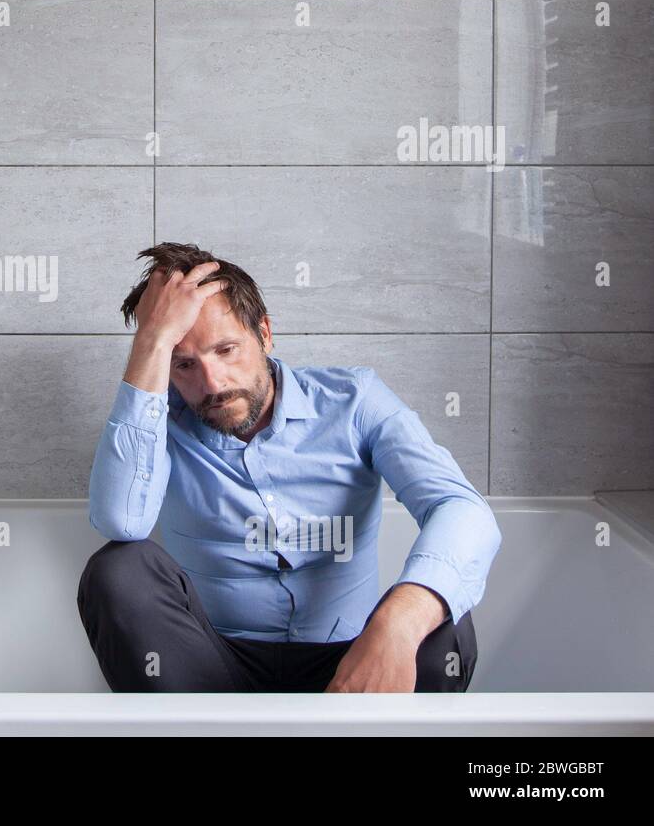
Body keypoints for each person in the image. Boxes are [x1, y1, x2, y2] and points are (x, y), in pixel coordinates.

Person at [77, 242, 501, 692]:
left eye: (226, 350)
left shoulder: (355, 401)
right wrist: (152, 341)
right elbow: (121, 521)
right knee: (117, 568)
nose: (212, 384)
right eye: (184, 364)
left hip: (352, 661)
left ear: (264, 332)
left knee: (440, 611)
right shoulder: (160, 422)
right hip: (215, 670)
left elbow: (461, 507)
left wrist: (399, 620)